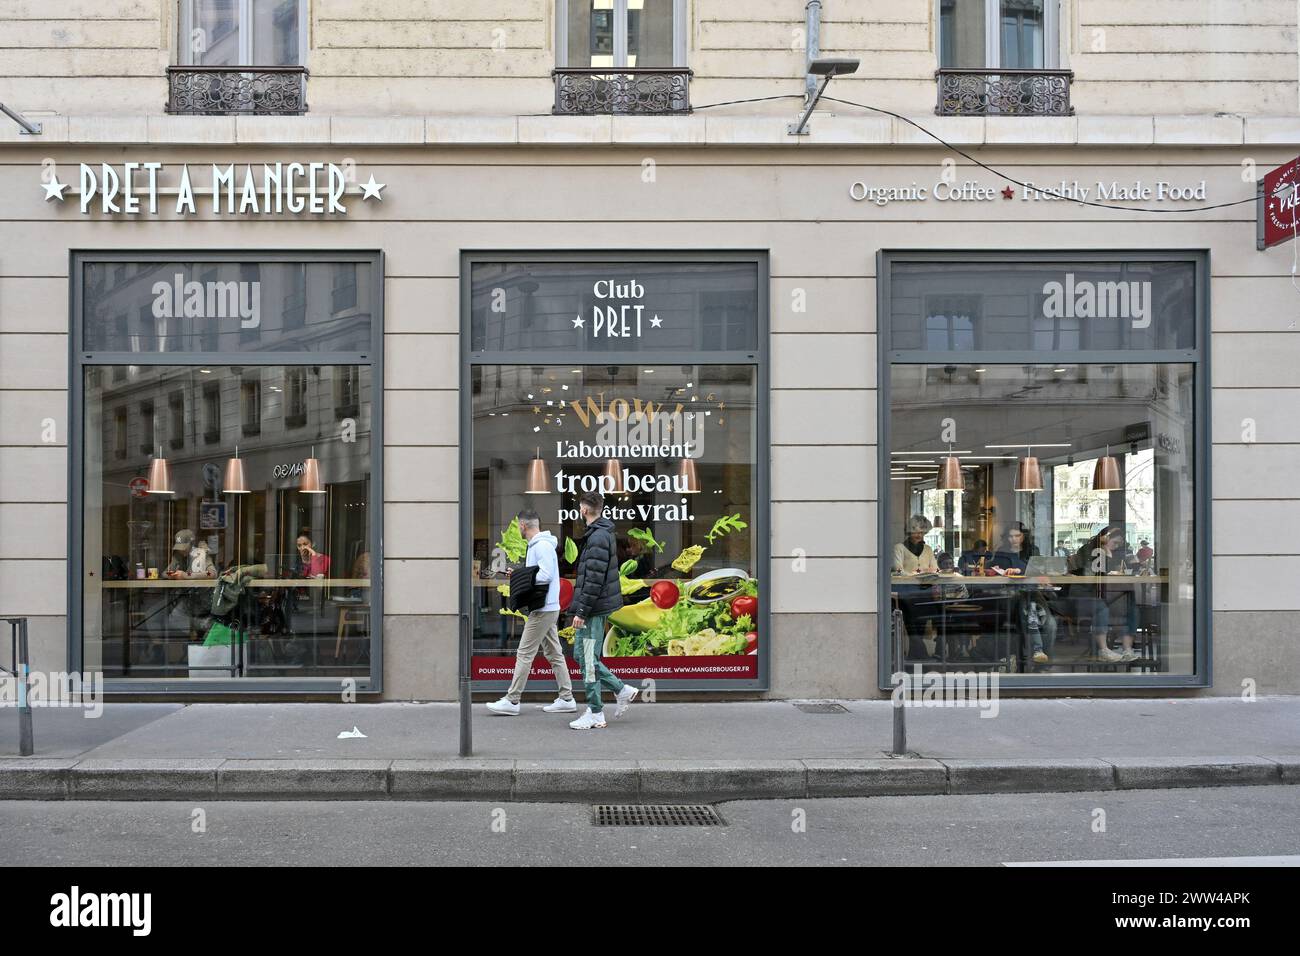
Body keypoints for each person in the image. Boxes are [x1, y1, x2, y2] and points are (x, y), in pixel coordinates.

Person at [486, 510, 577, 716]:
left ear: (522, 525)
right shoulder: (540, 545)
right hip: (548, 607)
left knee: (524, 653)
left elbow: (545, 575)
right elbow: (538, 573)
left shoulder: (541, 546)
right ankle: (567, 698)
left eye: (518, 525)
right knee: (554, 654)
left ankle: (512, 700)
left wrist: (524, 577)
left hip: (543, 609)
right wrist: (519, 573)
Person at [568, 490, 639, 730]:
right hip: (593, 608)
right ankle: (620, 689)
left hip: (592, 609)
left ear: (584, 509)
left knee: (587, 659)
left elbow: (594, 580)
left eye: (580, 507)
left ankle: (596, 711)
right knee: (582, 656)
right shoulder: (599, 533)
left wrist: (581, 612)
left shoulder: (597, 537)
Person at [1069, 525, 1139, 663]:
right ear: (1104, 538)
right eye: (1114, 542)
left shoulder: (1119, 553)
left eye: (1119, 543)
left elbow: (1127, 568)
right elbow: (1089, 576)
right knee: (1100, 606)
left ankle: (1127, 649)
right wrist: (1106, 552)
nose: (1116, 546)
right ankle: (1103, 649)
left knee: (1131, 606)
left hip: (1109, 594)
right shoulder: (1089, 550)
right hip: (1085, 594)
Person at [993, 521, 1057, 665]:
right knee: (1027, 608)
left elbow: (1038, 571)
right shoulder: (1002, 553)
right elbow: (992, 570)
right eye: (1010, 536)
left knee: (1051, 624)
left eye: (1017, 535)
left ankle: (1043, 658)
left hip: (1034, 593)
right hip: (1012, 596)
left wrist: (1019, 571)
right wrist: (1002, 572)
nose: (1014, 539)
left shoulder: (1032, 550)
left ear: (1024, 536)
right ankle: (1037, 651)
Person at [891, 515, 940, 660]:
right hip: (907, 594)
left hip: (925, 593)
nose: (918, 534)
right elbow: (897, 569)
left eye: (921, 531)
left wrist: (931, 573)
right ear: (908, 531)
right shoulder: (899, 548)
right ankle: (922, 656)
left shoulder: (928, 549)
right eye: (915, 531)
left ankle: (915, 658)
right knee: (911, 627)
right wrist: (915, 575)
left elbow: (935, 569)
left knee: (919, 628)